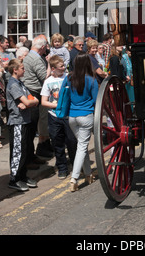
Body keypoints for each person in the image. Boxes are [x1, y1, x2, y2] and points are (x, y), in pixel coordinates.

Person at [56, 52, 98, 192]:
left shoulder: (68, 78)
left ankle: (88, 174)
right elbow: (96, 100)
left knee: (82, 145)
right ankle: (74, 178)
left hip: (72, 117)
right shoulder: (92, 80)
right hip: (86, 116)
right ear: (88, 64)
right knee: (82, 146)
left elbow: (63, 96)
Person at [41, 55, 77, 179]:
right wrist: (56, 105)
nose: (64, 68)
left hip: (68, 115)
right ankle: (62, 168)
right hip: (54, 116)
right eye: (61, 66)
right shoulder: (48, 82)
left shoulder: (68, 78)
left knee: (72, 141)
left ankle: (75, 165)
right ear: (53, 69)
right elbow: (44, 101)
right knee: (57, 142)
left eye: (64, 66)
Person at [6, 59, 39, 192]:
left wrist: (30, 102)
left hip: (24, 120)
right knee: (17, 152)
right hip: (17, 122)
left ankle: (22, 176)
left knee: (24, 150)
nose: (24, 70)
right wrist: (29, 102)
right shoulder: (13, 84)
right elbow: (28, 100)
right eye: (22, 68)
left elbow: (33, 99)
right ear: (15, 70)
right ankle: (14, 179)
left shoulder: (20, 83)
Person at [23, 35, 51, 162]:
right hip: (34, 93)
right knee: (33, 126)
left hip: (31, 92)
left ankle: (32, 154)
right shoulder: (36, 58)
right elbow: (44, 77)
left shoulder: (30, 55)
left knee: (34, 126)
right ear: (43, 47)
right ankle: (31, 156)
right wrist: (49, 64)